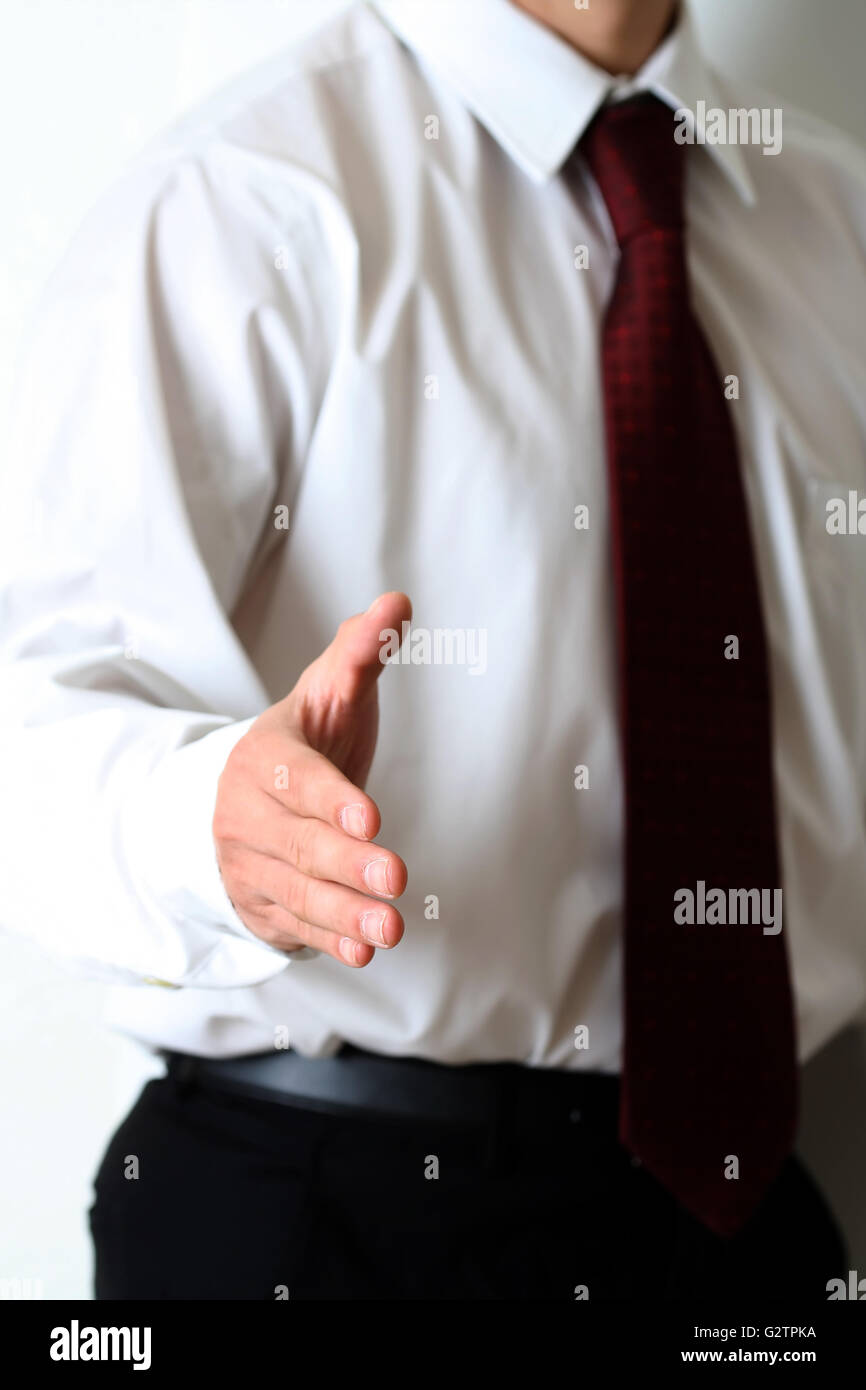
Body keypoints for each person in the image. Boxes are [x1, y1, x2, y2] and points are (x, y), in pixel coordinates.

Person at [2, 0, 865, 1301]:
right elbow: (30, 713)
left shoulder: (840, 223)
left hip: (750, 1233)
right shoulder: (242, 197)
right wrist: (211, 831)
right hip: (323, 1225)